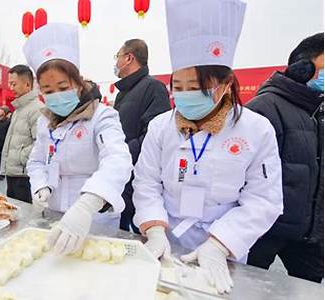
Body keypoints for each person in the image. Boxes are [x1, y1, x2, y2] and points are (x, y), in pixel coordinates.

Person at [132, 0, 283, 294]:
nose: (186, 95)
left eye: (198, 86)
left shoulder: (255, 129)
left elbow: (263, 200)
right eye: (179, 85)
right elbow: (146, 181)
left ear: (226, 84)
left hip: (223, 250)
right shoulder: (161, 126)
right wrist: (154, 229)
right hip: (164, 240)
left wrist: (219, 244)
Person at [24, 23, 133, 255]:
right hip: (53, 212)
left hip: (93, 218)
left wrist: (87, 205)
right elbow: (36, 161)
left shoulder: (102, 116)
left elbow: (118, 159)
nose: (56, 95)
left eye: (63, 86)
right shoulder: (45, 121)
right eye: (48, 90)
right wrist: (39, 186)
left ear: (78, 83)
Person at [246, 33, 324, 283]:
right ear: (303, 67)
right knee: (245, 288)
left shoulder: (318, 111)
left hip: (309, 232)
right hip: (263, 230)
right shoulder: (264, 108)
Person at [113, 39, 171, 232]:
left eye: (117, 57)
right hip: (120, 174)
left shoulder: (153, 88)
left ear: (129, 58)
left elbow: (153, 136)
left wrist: (122, 152)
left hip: (140, 178)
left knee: (141, 234)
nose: (116, 62)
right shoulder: (124, 92)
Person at [1, 65, 44, 203]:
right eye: (9, 84)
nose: (10, 88)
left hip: (25, 175)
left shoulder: (37, 109)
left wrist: (21, 157)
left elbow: (41, 143)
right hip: (14, 172)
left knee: (25, 216)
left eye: (14, 84)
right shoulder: (19, 109)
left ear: (27, 84)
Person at [0, 105, 11, 181]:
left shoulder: (8, 122)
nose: (0, 116)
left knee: (2, 159)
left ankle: (1, 175)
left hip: (4, 143)